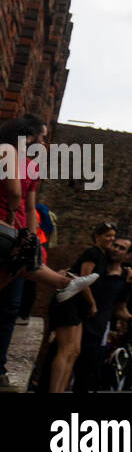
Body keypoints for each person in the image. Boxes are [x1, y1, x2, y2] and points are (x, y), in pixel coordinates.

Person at [0, 116, 94, 390]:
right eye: (41, 138)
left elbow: (30, 207)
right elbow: (16, 194)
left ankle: (63, 281)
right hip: (5, 232)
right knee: (13, 293)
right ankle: (62, 282)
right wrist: (14, 224)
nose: (44, 144)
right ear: (26, 136)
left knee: (12, 297)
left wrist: (28, 238)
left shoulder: (27, 164)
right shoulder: (7, 151)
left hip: (11, 235)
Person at [48, 221, 115, 393]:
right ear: (97, 236)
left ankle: (61, 389)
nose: (111, 239)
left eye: (113, 236)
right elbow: (83, 280)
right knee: (66, 349)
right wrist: (92, 303)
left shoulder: (102, 256)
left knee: (75, 350)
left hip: (76, 303)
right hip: (69, 299)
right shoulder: (92, 253)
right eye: (107, 235)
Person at [73, 234, 132, 392]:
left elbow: (119, 308)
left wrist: (130, 318)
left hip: (97, 328)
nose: (116, 249)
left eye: (121, 248)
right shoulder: (96, 265)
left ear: (128, 255)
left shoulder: (126, 278)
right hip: (76, 319)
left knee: (86, 374)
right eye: (115, 245)